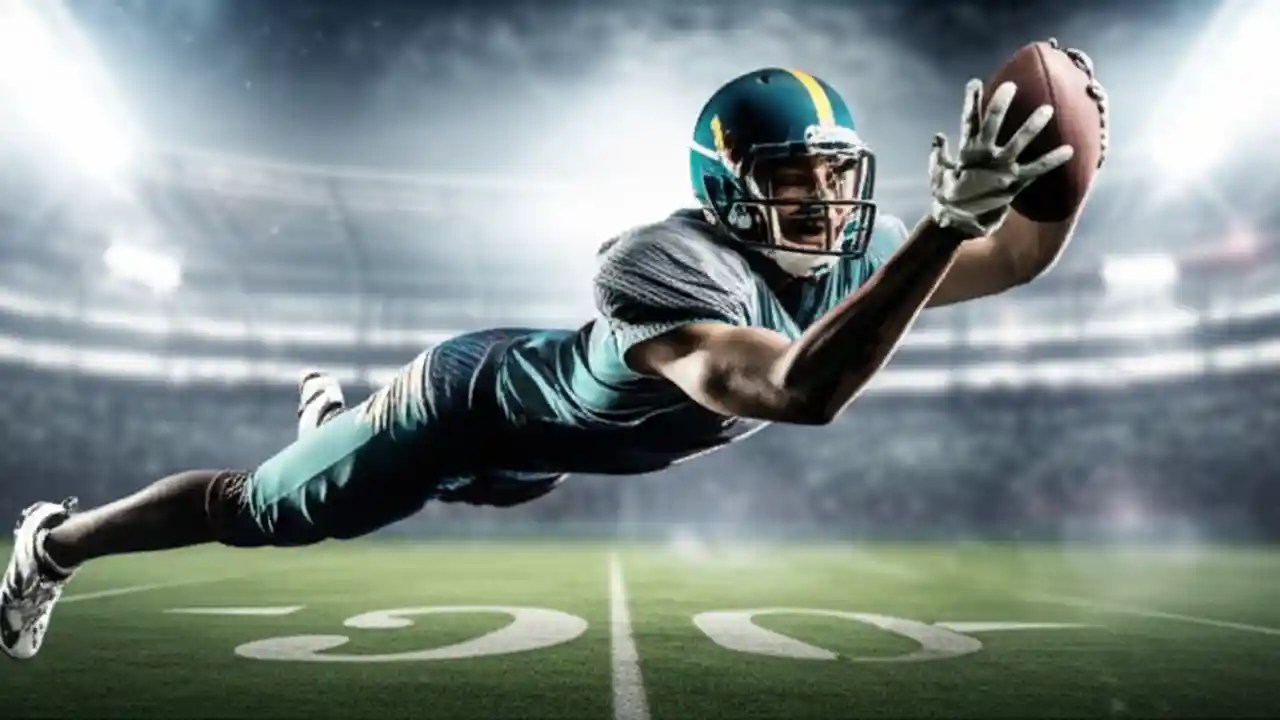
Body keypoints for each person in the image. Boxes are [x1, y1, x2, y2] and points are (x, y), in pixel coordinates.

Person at [2, 54, 1108, 660]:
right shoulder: (658, 266)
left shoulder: (853, 247)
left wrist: (1062, 178)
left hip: (537, 454)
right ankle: (51, 547)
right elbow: (797, 390)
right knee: (265, 512)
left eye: (832, 173)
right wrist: (940, 230)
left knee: (500, 491)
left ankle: (329, 432)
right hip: (460, 402)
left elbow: (1010, 259)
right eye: (791, 178)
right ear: (727, 188)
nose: (823, 203)